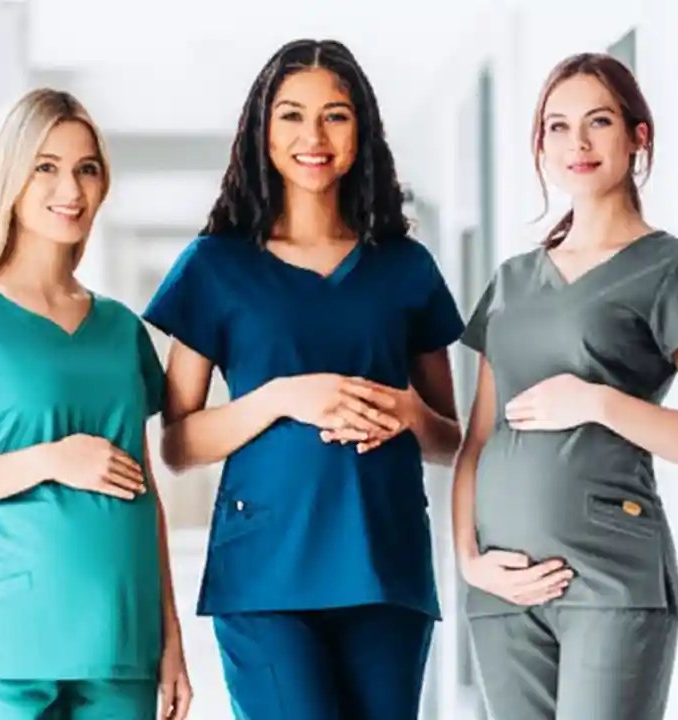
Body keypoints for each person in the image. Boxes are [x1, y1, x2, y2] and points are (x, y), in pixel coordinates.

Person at [142, 39, 464, 719]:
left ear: (362, 131)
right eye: (291, 115)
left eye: (335, 116)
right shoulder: (215, 266)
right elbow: (177, 444)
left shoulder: (405, 267)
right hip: (265, 575)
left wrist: (405, 411)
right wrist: (284, 397)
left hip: (385, 564)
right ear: (262, 130)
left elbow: (449, 437)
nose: (312, 137)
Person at [453, 52, 678, 719]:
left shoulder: (674, 269)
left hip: (611, 580)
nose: (576, 144)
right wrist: (470, 560)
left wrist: (597, 401)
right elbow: (478, 442)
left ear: (638, 136)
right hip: (502, 584)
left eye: (599, 121)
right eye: (556, 127)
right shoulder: (511, 279)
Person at [0, 88, 191, 720]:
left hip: (121, 647)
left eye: (86, 168)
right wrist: (52, 458)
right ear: (10, 178)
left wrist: (171, 639)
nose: (70, 189)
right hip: (8, 648)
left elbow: (144, 488)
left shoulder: (120, 328)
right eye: (45, 166)